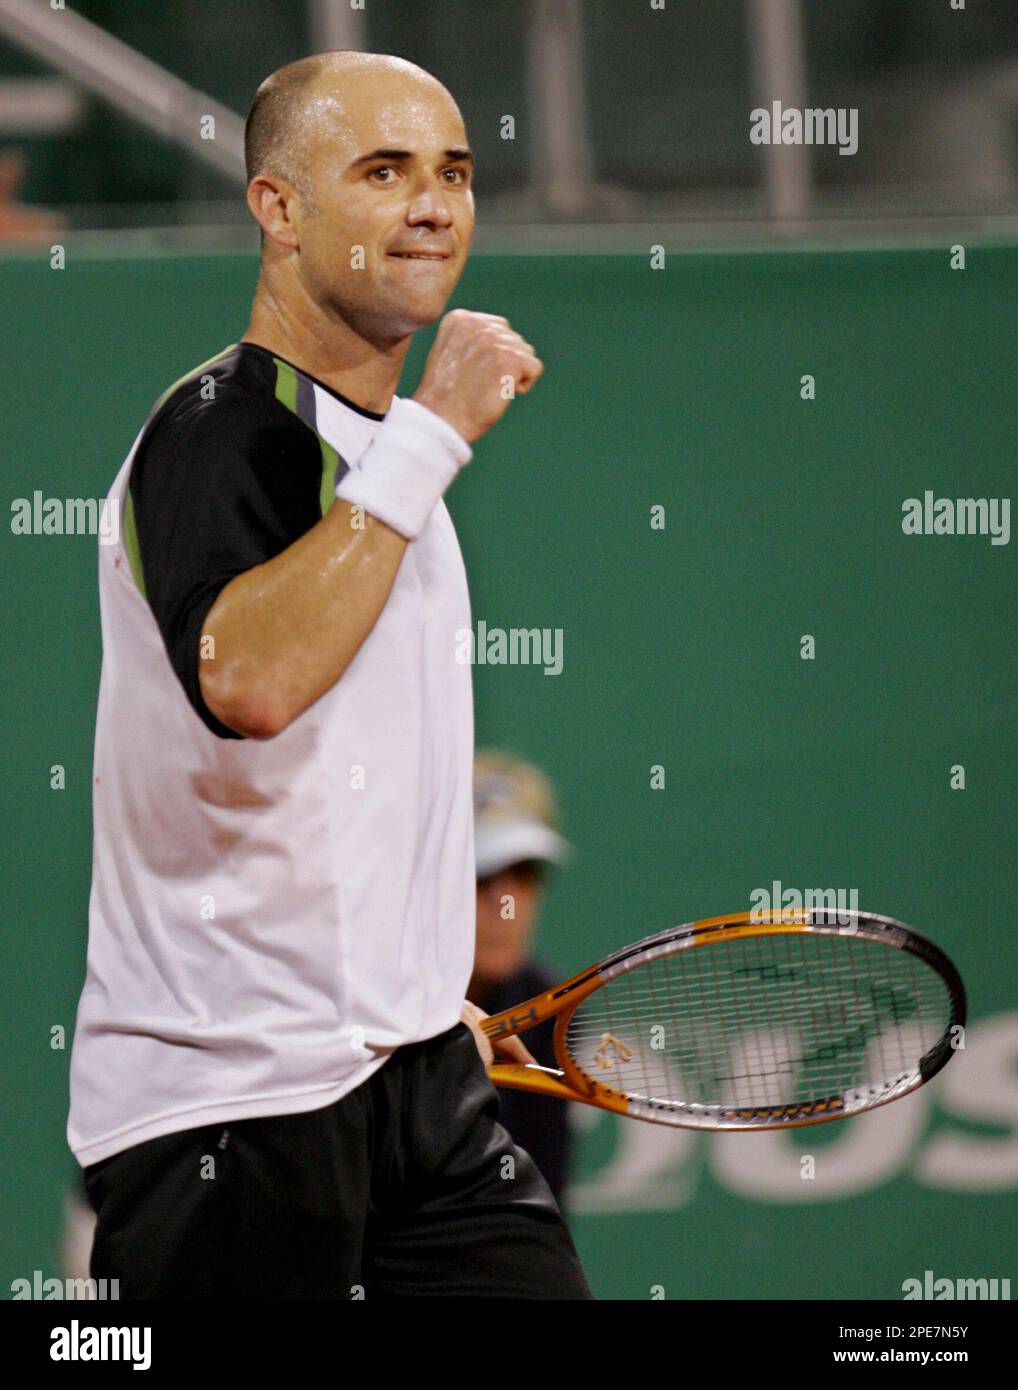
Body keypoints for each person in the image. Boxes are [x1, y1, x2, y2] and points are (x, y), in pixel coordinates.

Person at [67, 49, 592, 1300]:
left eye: (454, 173)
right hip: (230, 1111)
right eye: (382, 170)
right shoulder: (221, 428)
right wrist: (437, 431)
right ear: (278, 208)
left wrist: (411, 988)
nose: (432, 204)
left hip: (413, 1081)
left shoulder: (382, 461)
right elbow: (249, 682)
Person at [470, 750, 576, 1211]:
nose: (506, 902)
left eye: (524, 873)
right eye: (482, 875)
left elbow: (538, 1217)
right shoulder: (367, 1015)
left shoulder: (550, 1014)